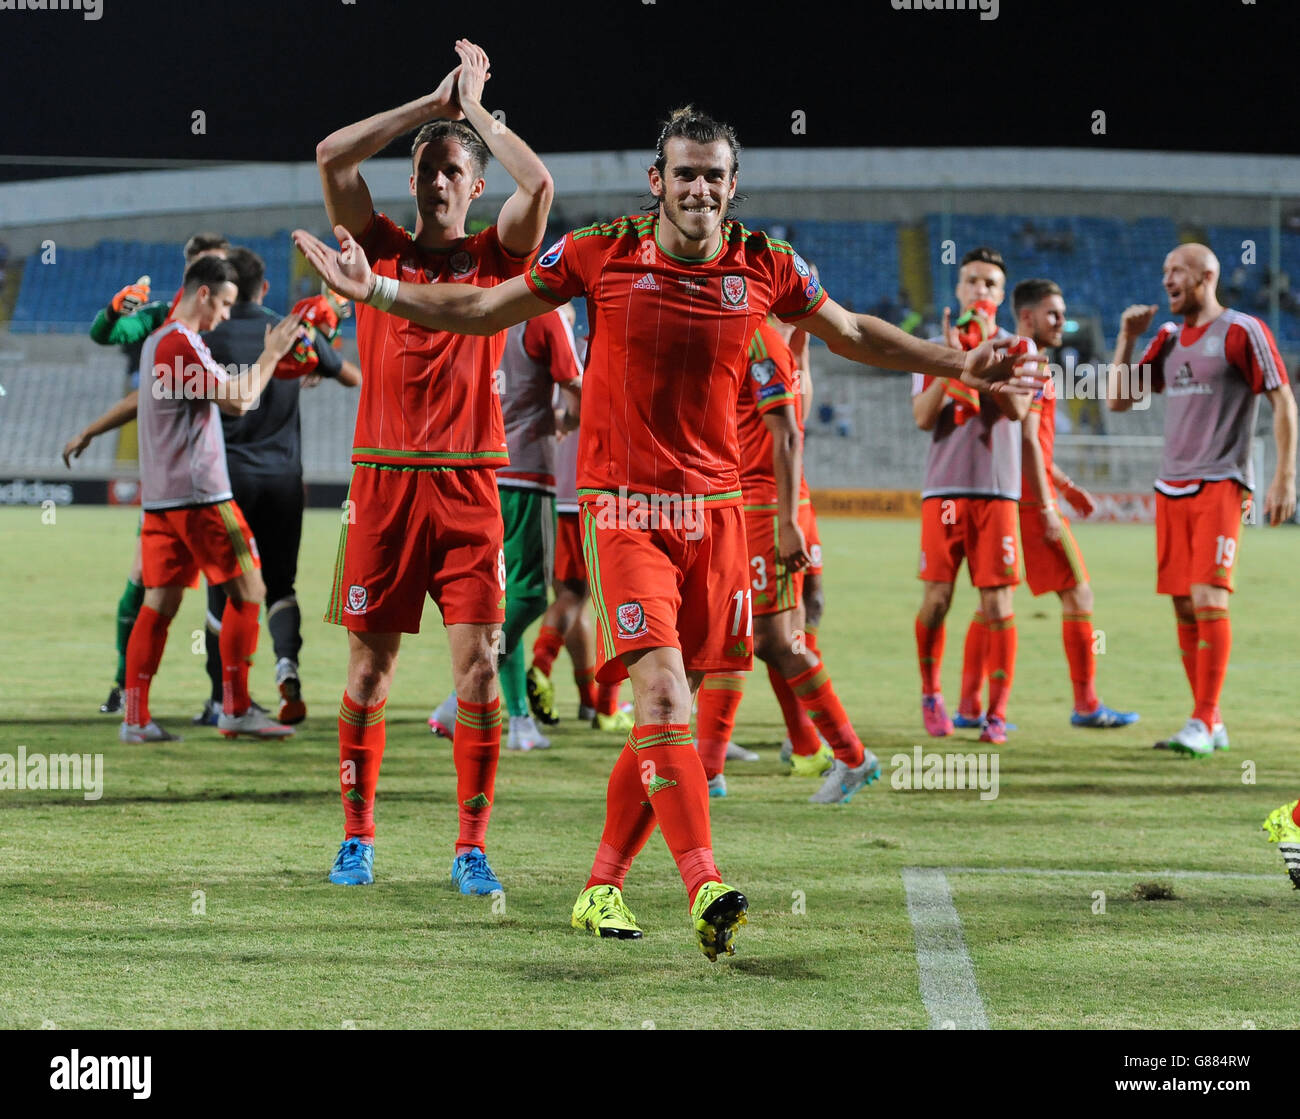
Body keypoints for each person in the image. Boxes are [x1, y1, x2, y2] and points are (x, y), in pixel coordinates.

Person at [293, 106, 1042, 959]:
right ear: (658, 181)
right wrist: (380, 292)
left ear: (733, 185)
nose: (698, 188)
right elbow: (483, 307)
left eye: (713, 175)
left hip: (716, 515)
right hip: (624, 510)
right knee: (661, 698)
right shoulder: (601, 250)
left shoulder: (766, 264)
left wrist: (956, 361)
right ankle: (704, 884)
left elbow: (852, 332)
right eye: (684, 173)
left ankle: (601, 884)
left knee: (671, 713)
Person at [313, 40, 554, 894]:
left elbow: (540, 187)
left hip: (469, 484)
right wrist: (430, 107)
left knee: (480, 667)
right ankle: (357, 837)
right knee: (368, 671)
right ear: (412, 181)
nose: (438, 181)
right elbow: (331, 156)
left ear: (474, 185)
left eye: (454, 170)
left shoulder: (496, 258)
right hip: (381, 484)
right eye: (427, 170)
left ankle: (470, 847)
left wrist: (475, 111)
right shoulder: (375, 247)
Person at [1108, 243, 1295, 755]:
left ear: (1206, 276)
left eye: (1177, 270)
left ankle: (1202, 719)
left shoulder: (1242, 331)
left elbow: (1282, 399)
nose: (1166, 279)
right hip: (1171, 486)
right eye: (1164, 270)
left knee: (1210, 597)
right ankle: (1210, 721)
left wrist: (1285, 475)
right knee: (1185, 607)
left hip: (1222, 482)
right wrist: (1127, 339)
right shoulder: (1168, 338)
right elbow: (1119, 400)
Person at [119, 255, 301, 742]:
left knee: (159, 603)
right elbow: (238, 401)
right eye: (222, 304)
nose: (224, 315)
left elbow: (232, 392)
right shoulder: (179, 343)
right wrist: (272, 354)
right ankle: (235, 708)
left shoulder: (160, 342)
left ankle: (135, 718)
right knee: (251, 591)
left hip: (162, 500)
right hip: (200, 496)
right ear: (203, 294)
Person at [696, 315, 869, 800]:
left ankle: (849, 755)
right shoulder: (777, 342)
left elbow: (790, 433)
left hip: (763, 506)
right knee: (741, 633)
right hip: (760, 504)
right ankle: (715, 768)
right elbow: (797, 414)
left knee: (768, 639)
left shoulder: (757, 337)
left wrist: (787, 521)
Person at [195, 247, 361, 728]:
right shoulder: (293, 331)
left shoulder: (209, 334)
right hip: (285, 480)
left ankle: (223, 697)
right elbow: (352, 377)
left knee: (224, 589)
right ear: (264, 287)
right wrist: (313, 367)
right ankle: (286, 664)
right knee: (281, 586)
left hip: (227, 479)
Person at [427, 303, 582, 751]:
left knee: (502, 598)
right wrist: (569, 421)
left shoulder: (477, 306)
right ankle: (459, 695)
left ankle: (519, 722)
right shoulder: (545, 313)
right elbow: (575, 388)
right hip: (526, 473)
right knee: (529, 595)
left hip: (478, 469)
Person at [87, 233, 229, 716]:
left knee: (232, 590)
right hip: (175, 478)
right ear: (191, 275)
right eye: (205, 266)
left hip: (228, 468)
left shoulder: (233, 319)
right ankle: (124, 686)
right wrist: (113, 312)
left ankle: (224, 699)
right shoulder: (159, 321)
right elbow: (107, 335)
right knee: (145, 582)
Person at [912, 247, 1030, 746]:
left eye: (990, 283)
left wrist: (985, 361)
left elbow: (1018, 410)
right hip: (943, 491)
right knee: (937, 600)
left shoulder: (1019, 347)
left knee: (998, 604)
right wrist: (954, 360)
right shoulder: (929, 348)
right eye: (972, 281)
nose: (980, 289)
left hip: (996, 491)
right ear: (959, 289)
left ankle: (996, 714)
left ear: (1001, 296)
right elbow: (923, 418)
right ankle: (930, 694)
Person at [1013, 278, 1137, 728]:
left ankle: (974, 708)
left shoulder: (1026, 360)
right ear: (1027, 316)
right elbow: (1027, 438)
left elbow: (1035, 443)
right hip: (1029, 500)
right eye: (1053, 314)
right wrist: (1048, 504)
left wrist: (1064, 486)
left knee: (995, 597)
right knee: (1078, 593)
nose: (1062, 322)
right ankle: (1086, 705)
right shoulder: (1028, 362)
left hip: (1020, 494)